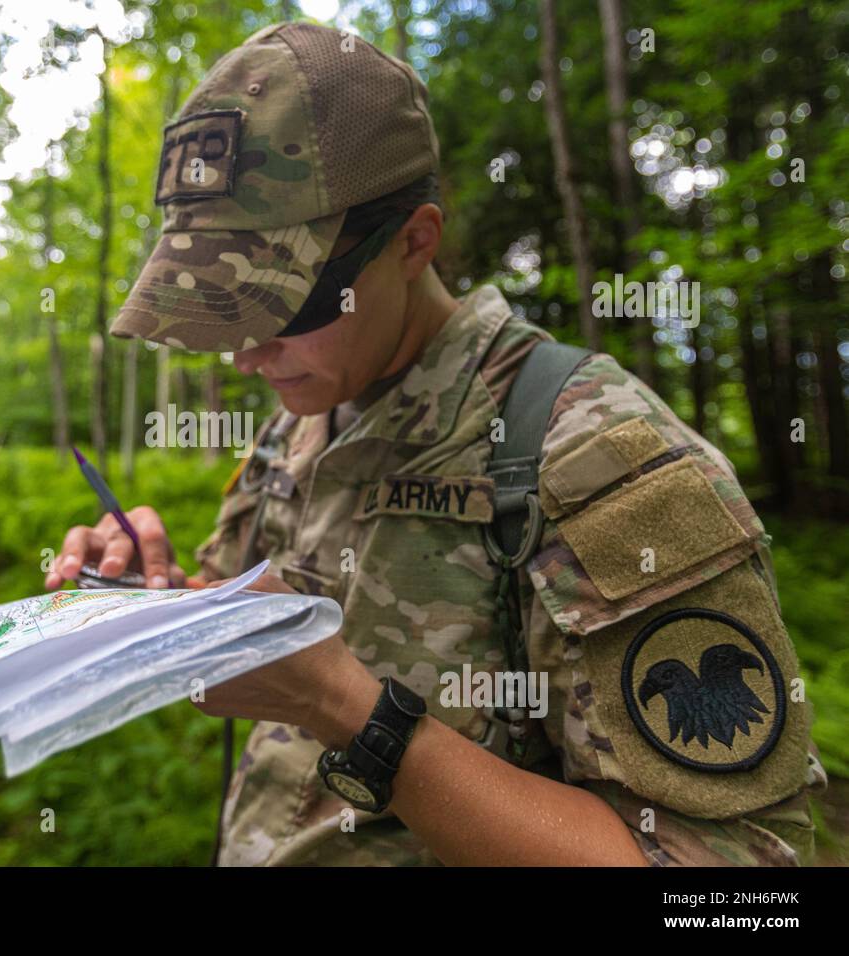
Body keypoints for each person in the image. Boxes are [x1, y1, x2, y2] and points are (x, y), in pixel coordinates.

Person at [44, 22, 826, 866]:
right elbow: (266, 633)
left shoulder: (595, 460)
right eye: (218, 310)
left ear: (415, 241)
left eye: (280, 309)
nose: (244, 355)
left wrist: (355, 715)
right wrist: (157, 595)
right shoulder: (300, 421)